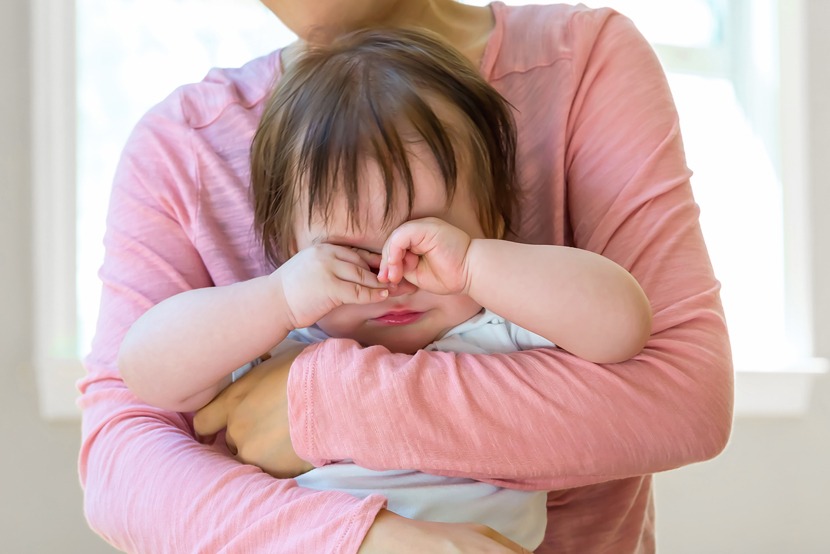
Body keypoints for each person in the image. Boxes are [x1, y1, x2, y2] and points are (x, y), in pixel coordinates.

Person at [78, 1, 734, 553]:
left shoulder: (501, 320)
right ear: (286, 246)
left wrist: (475, 267)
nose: (391, 276)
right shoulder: (289, 320)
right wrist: (276, 296)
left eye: (422, 239)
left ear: (497, 219)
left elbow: (644, 347)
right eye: (347, 252)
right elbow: (140, 397)